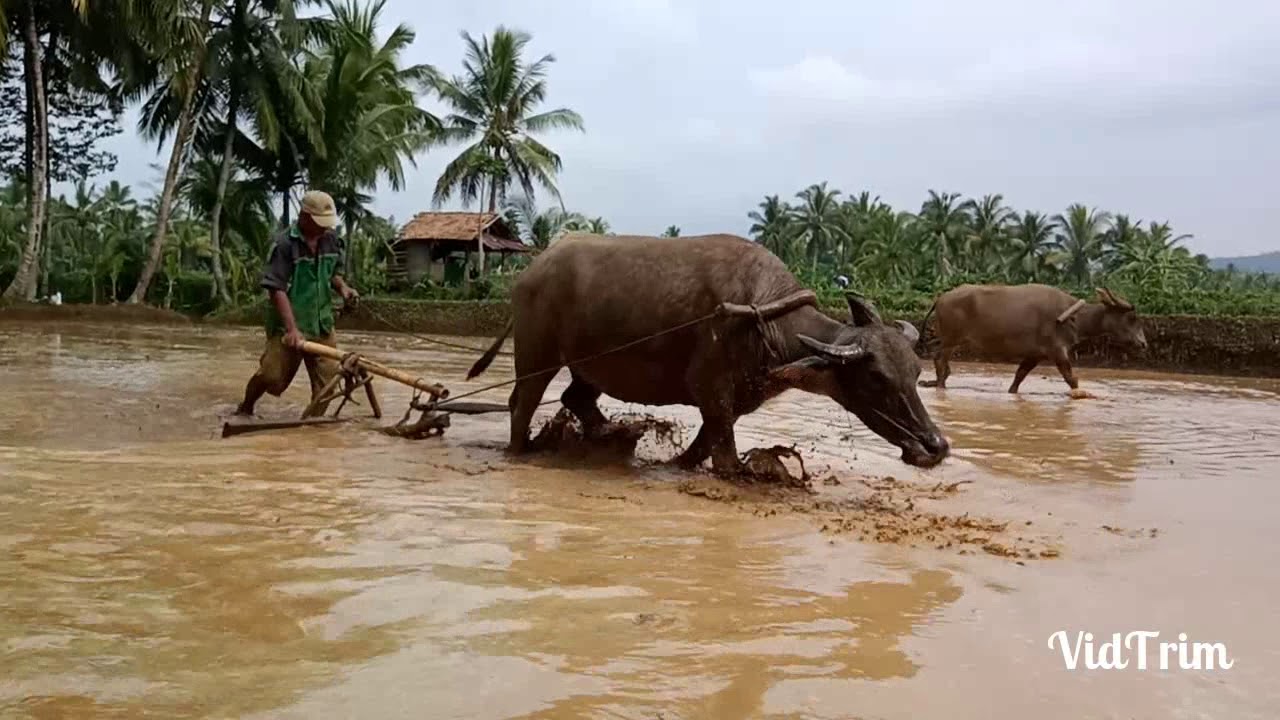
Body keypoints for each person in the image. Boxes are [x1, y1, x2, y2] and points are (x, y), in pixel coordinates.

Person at [235, 190, 360, 416]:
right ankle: (246, 406)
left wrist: (343, 289)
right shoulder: (285, 245)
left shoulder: (331, 240)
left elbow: (332, 274)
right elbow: (276, 288)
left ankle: (309, 425)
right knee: (271, 375)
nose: (324, 228)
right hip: (288, 325)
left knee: (328, 381)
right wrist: (292, 329)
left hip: (321, 323)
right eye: (319, 223)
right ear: (304, 217)